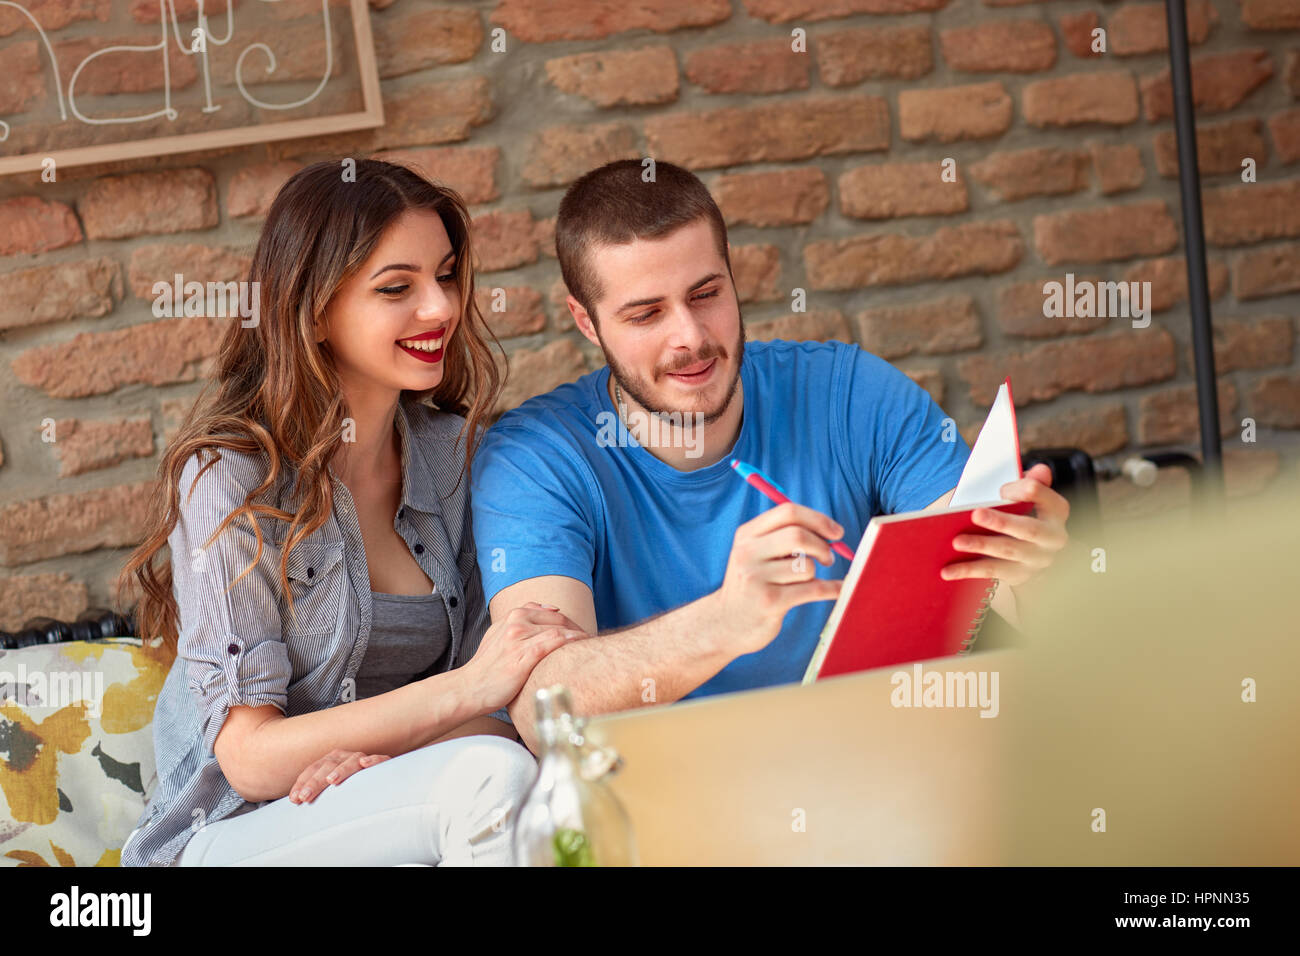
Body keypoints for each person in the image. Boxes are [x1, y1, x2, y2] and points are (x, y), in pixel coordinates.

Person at [469, 159, 1071, 753]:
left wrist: (1033, 566)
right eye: (646, 314)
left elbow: (983, 587)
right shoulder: (535, 459)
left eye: (706, 293)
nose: (691, 337)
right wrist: (724, 622)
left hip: (875, 756)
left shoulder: (851, 391)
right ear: (587, 321)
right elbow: (544, 709)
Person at [117, 159, 588, 866]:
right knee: (494, 783)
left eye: (447, 274)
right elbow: (249, 758)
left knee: (550, 785)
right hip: (231, 836)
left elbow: (495, 719)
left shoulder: (455, 458)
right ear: (314, 310)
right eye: (397, 287)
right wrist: (465, 692)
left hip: (395, 803)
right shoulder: (228, 478)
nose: (441, 308)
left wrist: (375, 759)